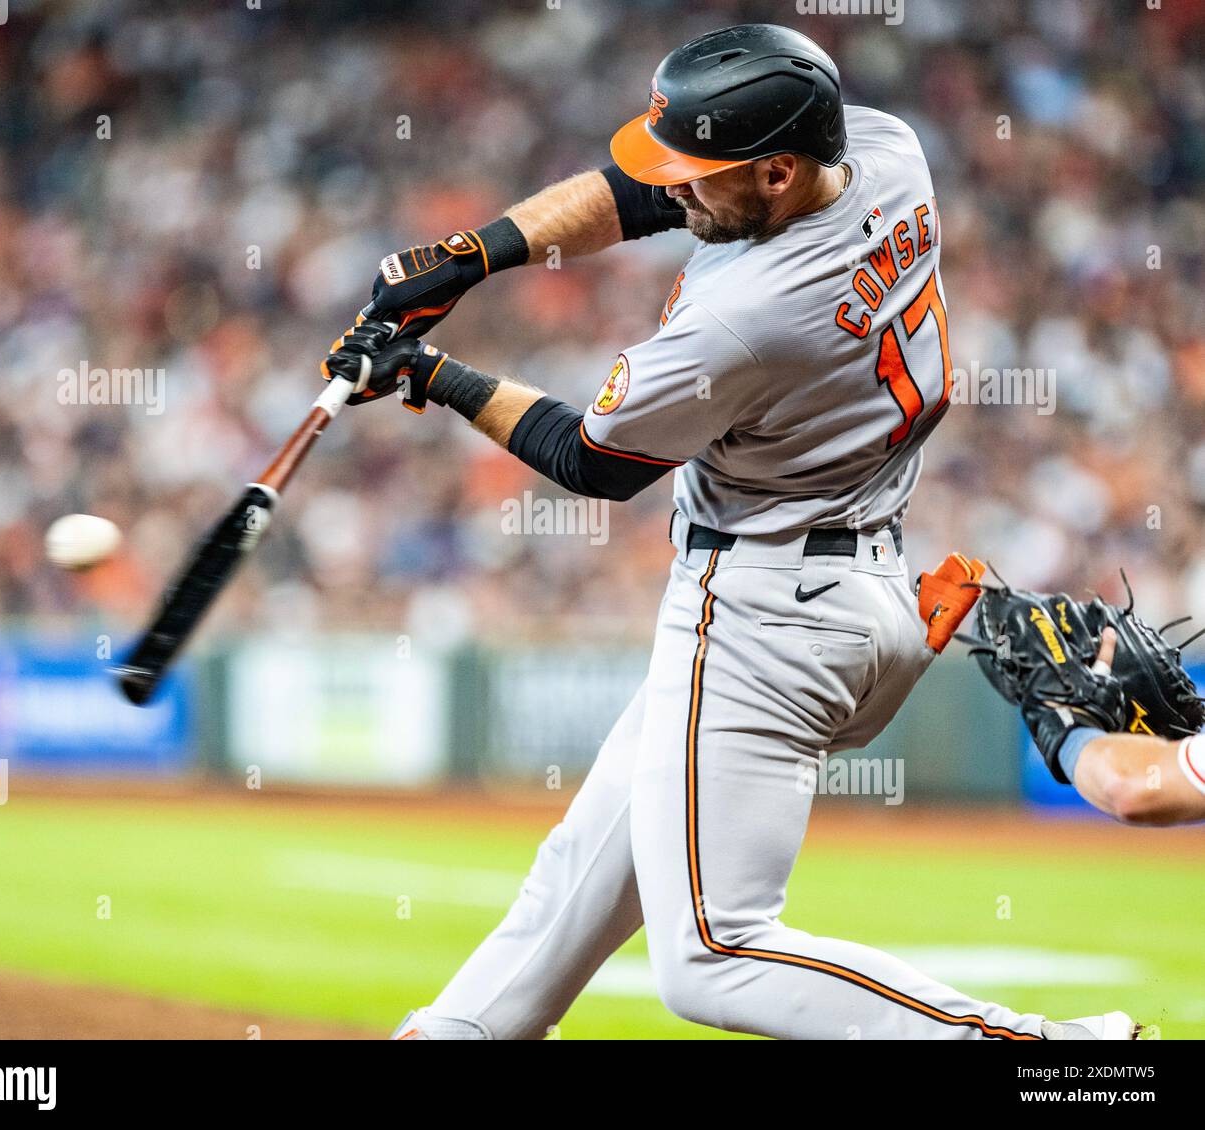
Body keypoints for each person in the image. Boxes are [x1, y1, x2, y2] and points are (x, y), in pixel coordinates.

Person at [325, 24, 1134, 1040]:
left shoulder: (746, 314)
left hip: (760, 616)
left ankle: (1054, 1055)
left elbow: (596, 461)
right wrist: (470, 256)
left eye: (700, 175)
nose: (676, 192)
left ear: (779, 171)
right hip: (860, 591)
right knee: (574, 881)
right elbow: (640, 194)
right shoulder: (886, 155)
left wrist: (432, 373)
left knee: (713, 955)